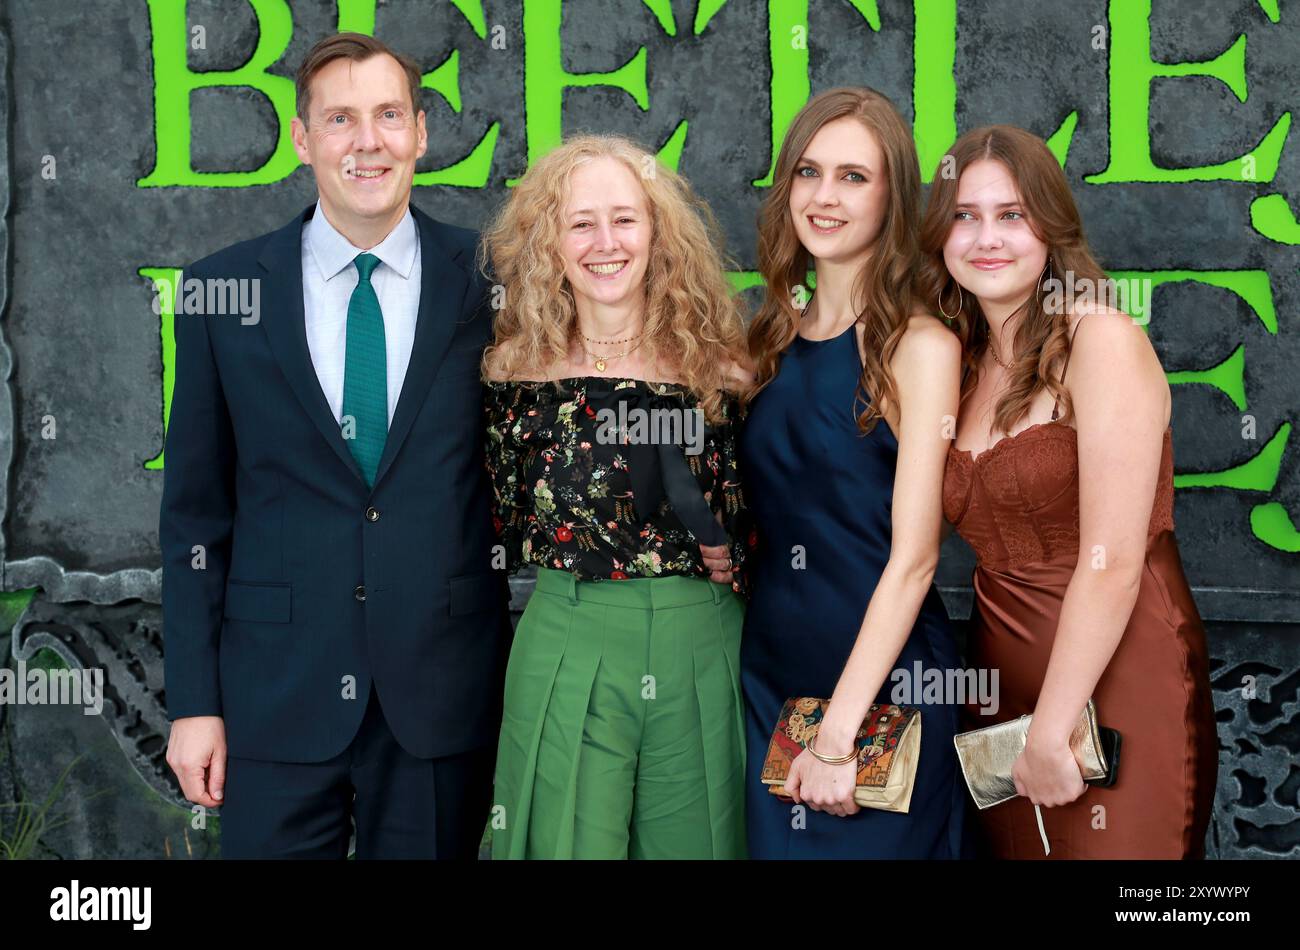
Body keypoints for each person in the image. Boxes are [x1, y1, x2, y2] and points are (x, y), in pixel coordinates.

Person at [160, 33, 510, 859]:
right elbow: (194, 520)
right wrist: (193, 703)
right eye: (341, 118)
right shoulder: (223, 290)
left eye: (389, 115)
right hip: (273, 696)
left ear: (421, 132)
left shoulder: (497, 280)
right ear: (302, 138)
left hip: (439, 691)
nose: (368, 141)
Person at [923, 124, 1218, 858]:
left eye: (1011, 215)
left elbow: (1114, 560)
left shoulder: (1102, 339)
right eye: (964, 216)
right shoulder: (960, 366)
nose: (986, 237)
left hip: (1120, 683)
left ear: (1050, 228)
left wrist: (1054, 728)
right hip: (1002, 696)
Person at [482, 133, 754, 858]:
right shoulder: (511, 374)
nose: (606, 242)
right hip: (567, 635)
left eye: (626, 218)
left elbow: (762, 514)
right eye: (581, 222)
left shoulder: (727, 372)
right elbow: (494, 515)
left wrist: (742, 556)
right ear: (551, 243)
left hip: (701, 639)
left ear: (657, 232)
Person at [740, 87, 971, 858]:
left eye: (853, 177)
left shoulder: (919, 345)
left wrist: (839, 732)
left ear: (893, 197)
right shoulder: (771, 332)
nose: (824, 197)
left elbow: (915, 559)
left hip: (880, 691)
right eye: (808, 172)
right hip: (771, 678)